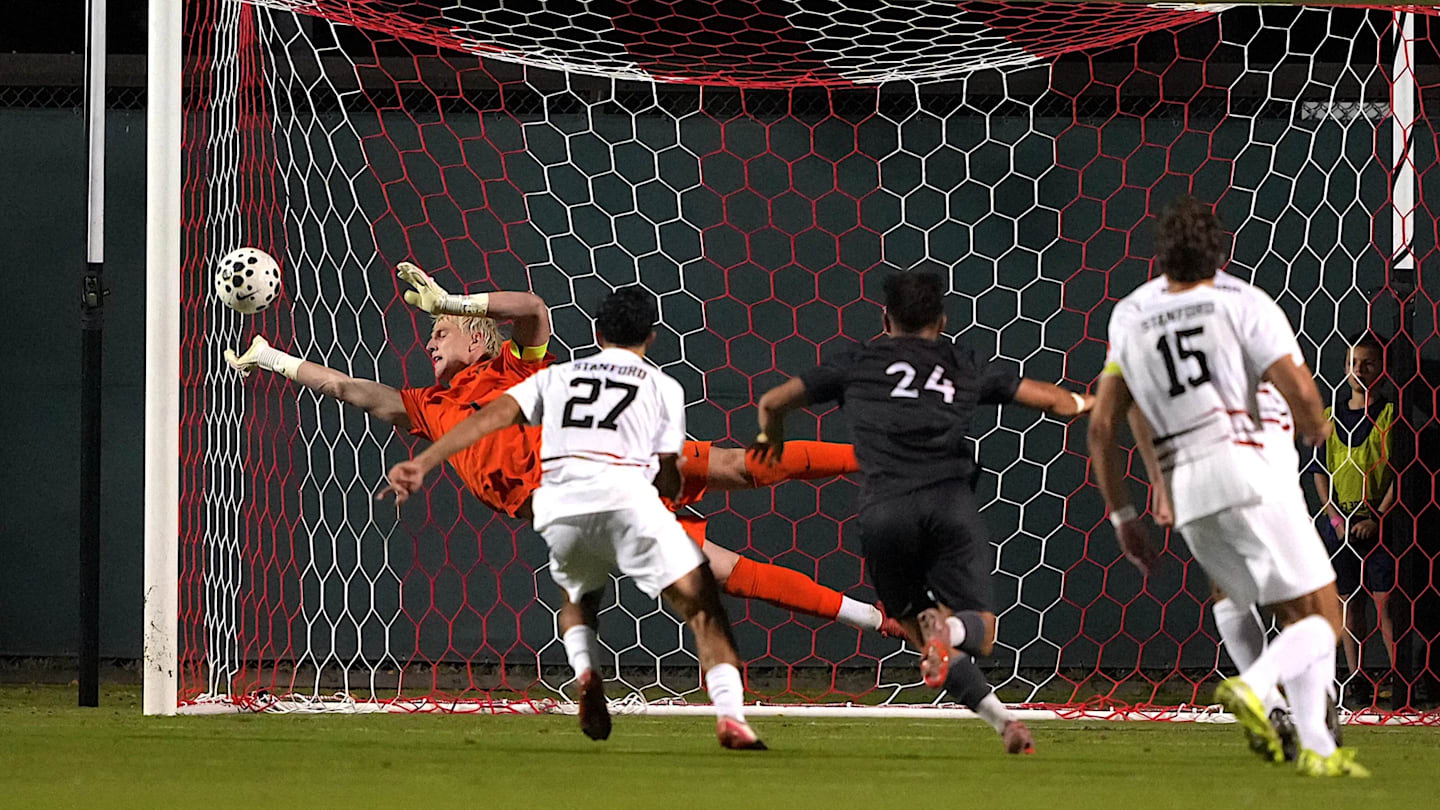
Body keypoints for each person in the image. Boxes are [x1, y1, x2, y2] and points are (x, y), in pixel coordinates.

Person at [224, 262, 899, 637]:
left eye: (443, 330)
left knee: (731, 466)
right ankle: (879, 620)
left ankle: (882, 462)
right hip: (579, 508)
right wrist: (272, 357)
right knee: (716, 571)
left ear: (480, 338)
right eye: (430, 334)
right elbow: (347, 387)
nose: (431, 341)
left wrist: (460, 297)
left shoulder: (514, 367)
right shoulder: (425, 408)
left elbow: (535, 308)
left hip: (600, 459)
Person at [381, 287, 765, 749]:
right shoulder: (661, 385)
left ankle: (586, 673)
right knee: (701, 602)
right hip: (621, 494)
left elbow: (485, 421)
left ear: (598, 334)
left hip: (558, 506)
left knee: (577, 602)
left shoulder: (554, 380)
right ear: (652, 337)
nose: (431, 343)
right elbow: (666, 468)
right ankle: (730, 714)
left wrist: (421, 464)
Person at [749, 270, 1095, 756]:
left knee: (921, 630)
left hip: (883, 515)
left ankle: (1002, 723)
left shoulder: (857, 363)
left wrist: (771, 437)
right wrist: (1090, 402)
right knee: (978, 631)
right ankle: (954, 643)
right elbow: (1053, 401)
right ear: (942, 320)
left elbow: (772, 401)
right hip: (948, 506)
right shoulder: (961, 363)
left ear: (884, 318)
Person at [1088, 196, 1365, 777]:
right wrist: (1317, 428)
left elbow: (1109, 418)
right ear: (1220, 254)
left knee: (1231, 593)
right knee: (1320, 617)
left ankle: (1315, 743)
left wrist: (1135, 503)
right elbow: (1302, 392)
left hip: (1188, 486)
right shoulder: (1245, 305)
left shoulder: (1131, 313)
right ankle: (1262, 690)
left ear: (1161, 256)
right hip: (1252, 472)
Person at [1130, 378, 1339, 761]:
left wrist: (1158, 483)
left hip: (1212, 496)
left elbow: (1134, 406)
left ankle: (1272, 702)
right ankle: (1305, 699)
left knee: (1230, 594)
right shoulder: (1270, 383)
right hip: (1271, 502)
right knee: (1315, 616)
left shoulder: (1204, 390)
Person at [1307, 332, 1399, 707]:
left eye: (1369, 363)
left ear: (1383, 369)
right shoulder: (1329, 417)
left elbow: (1399, 474)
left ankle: (1401, 677)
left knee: (1387, 602)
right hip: (1340, 523)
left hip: (1379, 520)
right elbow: (1317, 470)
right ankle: (1356, 680)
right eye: (1353, 363)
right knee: (1348, 601)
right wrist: (1333, 516)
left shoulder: (1391, 415)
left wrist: (1376, 517)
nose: (1359, 370)